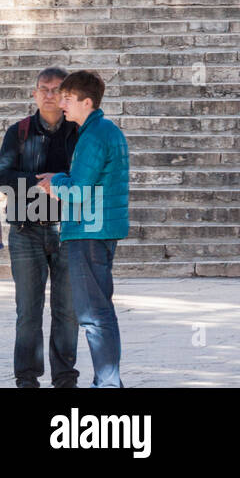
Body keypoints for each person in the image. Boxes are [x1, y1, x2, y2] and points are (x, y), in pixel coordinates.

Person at [37, 71, 129, 388]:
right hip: (99, 230)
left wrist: (54, 183)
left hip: (88, 232)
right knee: (100, 311)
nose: (61, 104)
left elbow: (78, 190)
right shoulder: (104, 130)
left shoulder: (93, 135)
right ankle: (108, 380)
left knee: (93, 315)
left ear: (86, 102)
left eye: (68, 98)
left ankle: (107, 383)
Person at [0, 67, 79, 388]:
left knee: (68, 311)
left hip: (69, 230)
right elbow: (3, 175)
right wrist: (40, 182)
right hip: (25, 230)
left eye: (57, 89)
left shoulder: (78, 132)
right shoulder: (17, 132)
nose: (49, 95)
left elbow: (86, 175)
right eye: (43, 89)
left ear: (66, 96)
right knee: (28, 313)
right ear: (34, 94)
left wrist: (57, 181)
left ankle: (65, 379)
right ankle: (27, 378)